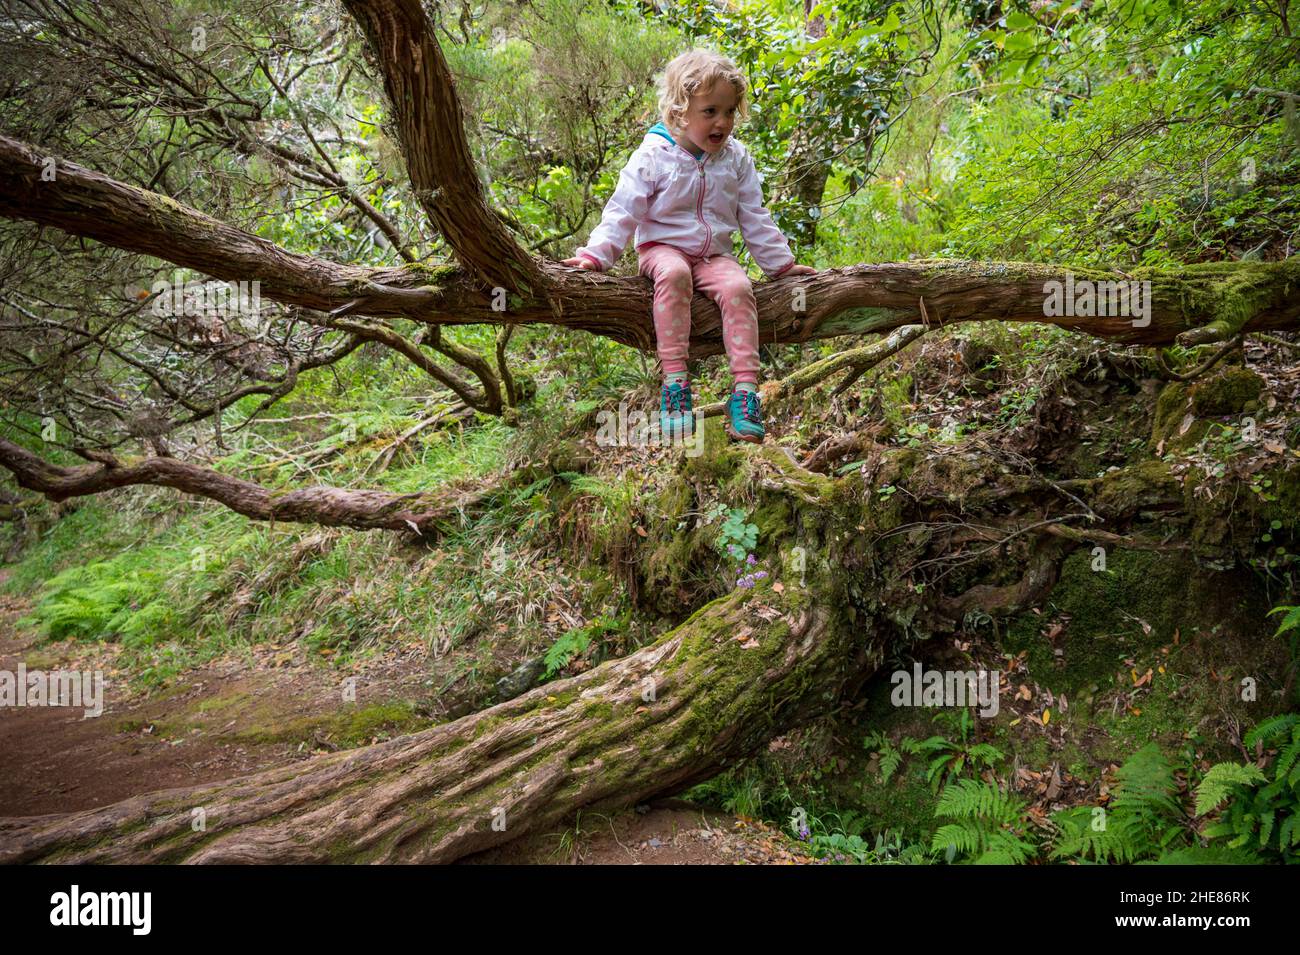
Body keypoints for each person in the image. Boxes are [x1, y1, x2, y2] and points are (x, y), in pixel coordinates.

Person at [562, 49, 817, 444]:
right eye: (710, 111)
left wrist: (781, 266)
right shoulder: (653, 155)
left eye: (730, 112)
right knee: (675, 274)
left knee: (738, 289)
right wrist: (596, 255)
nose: (723, 122)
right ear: (681, 110)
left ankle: (746, 392)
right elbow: (623, 209)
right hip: (663, 249)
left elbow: (753, 214)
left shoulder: (735, 158)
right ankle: (675, 386)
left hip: (714, 254)